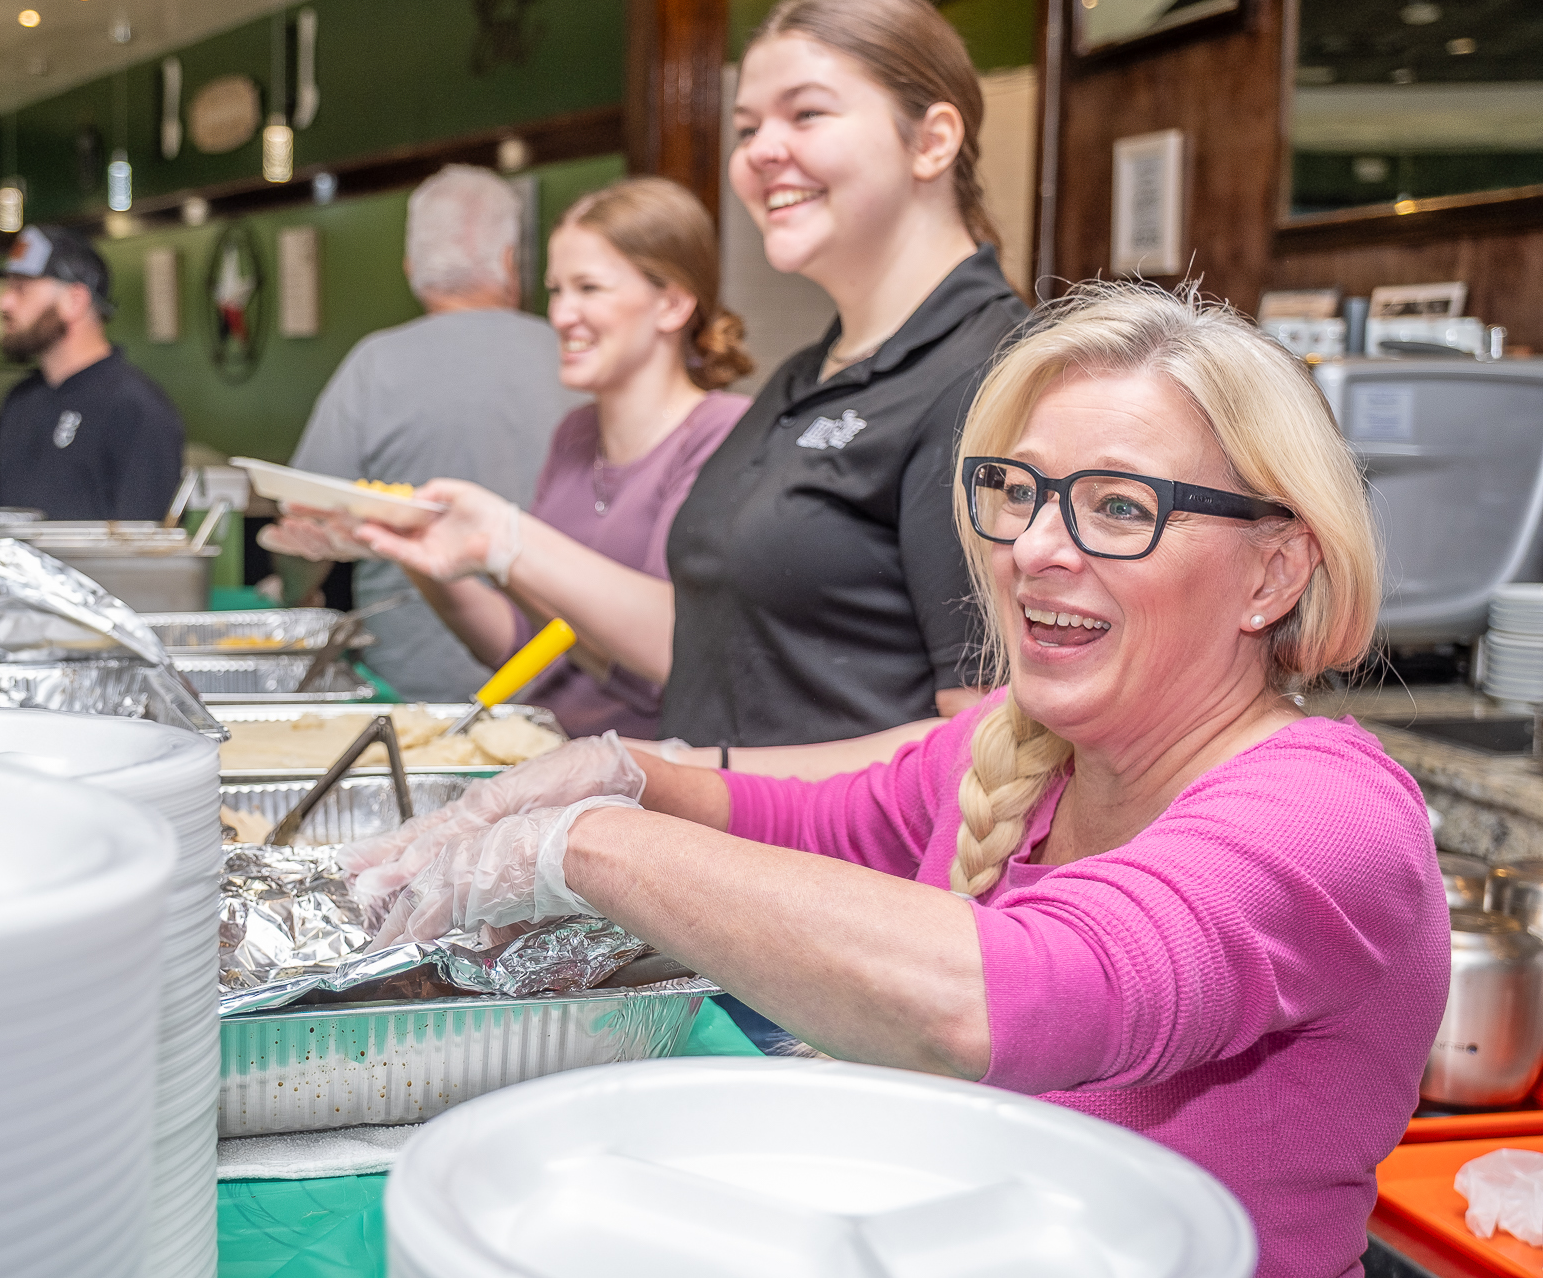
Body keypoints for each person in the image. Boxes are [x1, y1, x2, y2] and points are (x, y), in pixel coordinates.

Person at [339, 285, 1449, 1278]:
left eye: (1116, 507)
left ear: (1272, 570)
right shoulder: (1029, 754)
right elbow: (806, 812)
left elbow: (1016, 991)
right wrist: (631, 772)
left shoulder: (1325, 812)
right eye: (1018, 492)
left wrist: (591, 844)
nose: (1035, 550)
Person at [356, 0, 1026, 751]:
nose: (761, 150)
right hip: (705, 850)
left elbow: (984, 750)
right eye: (747, 127)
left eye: (807, 112)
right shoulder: (803, 378)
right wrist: (479, 544)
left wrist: (698, 778)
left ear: (932, 141)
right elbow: (692, 644)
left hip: (814, 866)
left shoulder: (992, 378)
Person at [273, 178, 753, 738]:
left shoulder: (723, 436)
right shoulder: (576, 435)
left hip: (656, 787)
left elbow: (681, 652)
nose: (562, 315)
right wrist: (414, 550)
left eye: (588, 288)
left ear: (671, 303)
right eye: (556, 291)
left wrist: (505, 540)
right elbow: (528, 645)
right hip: (551, 756)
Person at [264, 165, 578, 702]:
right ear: (510, 263)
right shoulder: (578, 359)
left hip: (412, 684)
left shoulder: (375, 366)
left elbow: (302, 524)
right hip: (568, 673)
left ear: (411, 268)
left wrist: (298, 595)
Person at [0, 225, 183, 521]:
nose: (4, 302)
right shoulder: (20, 401)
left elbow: (145, 554)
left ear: (75, 300)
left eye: (21, 289)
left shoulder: (135, 409)